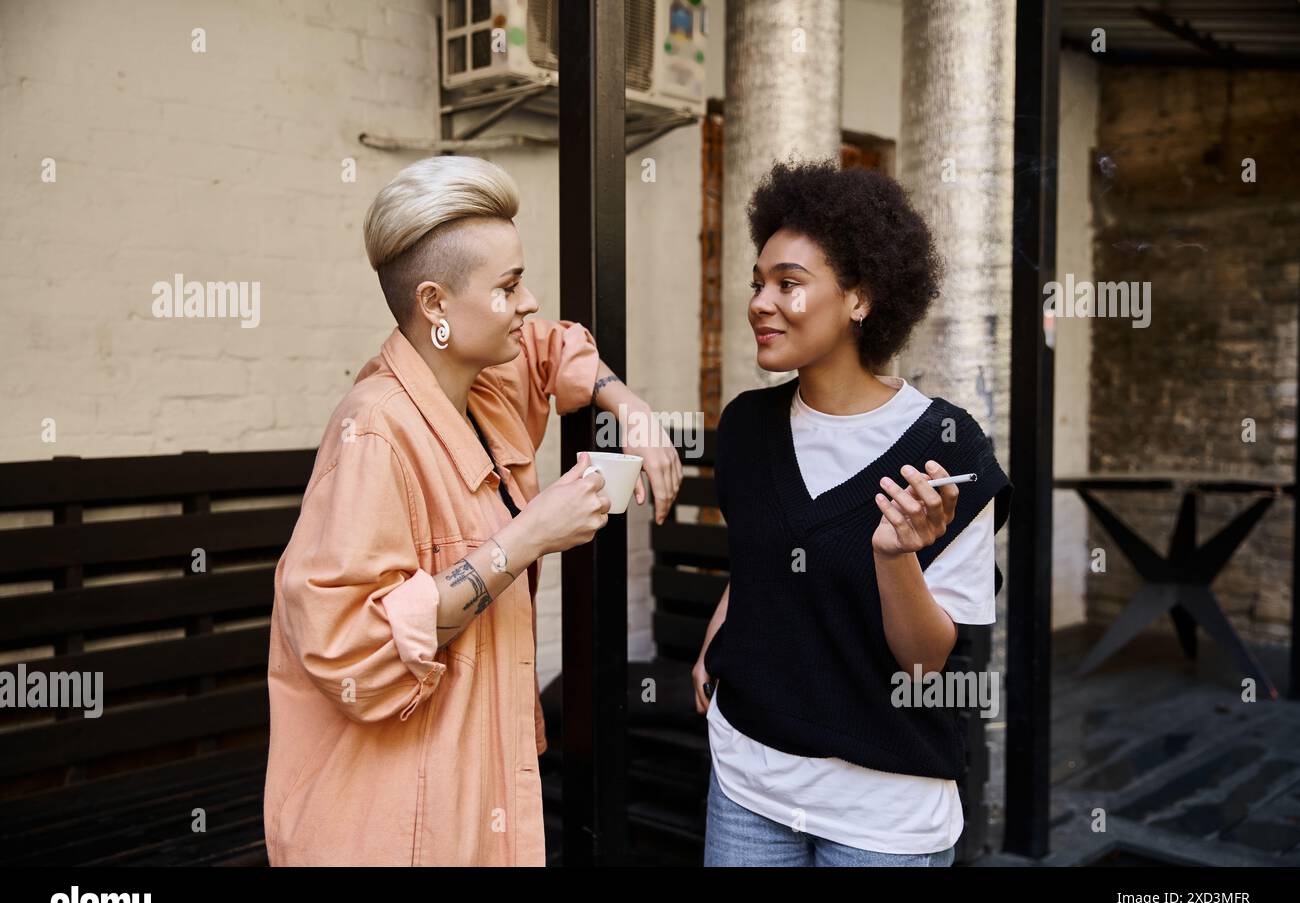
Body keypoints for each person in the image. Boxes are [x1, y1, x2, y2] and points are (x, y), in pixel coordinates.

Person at [264, 156, 682, 865]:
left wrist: (626, 402)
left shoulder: (482, 385)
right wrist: (526, 540)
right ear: (434, 305)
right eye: (510, 286)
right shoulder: (375, 434)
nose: (528, 303)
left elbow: (554, 344)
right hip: (394, 821)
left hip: (473, 791)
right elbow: (349, 654)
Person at [693, 159, 1012, 867]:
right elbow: (762, 556)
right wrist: (720, 635)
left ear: (860, 299)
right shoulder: (747, 426)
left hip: (882, 812)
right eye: (756, 283)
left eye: (788, 284)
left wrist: (895, 556)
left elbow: (926, 661)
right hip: (749, 780)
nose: (759, 303)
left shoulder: (945, 445)